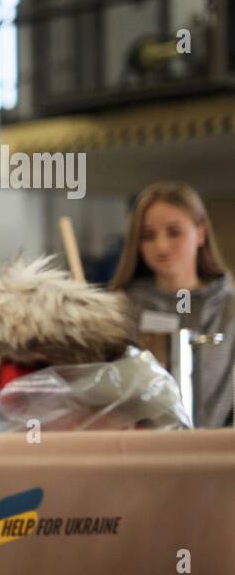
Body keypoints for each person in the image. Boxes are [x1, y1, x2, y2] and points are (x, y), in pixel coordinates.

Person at [109, 181, 234, 427]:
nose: (161, 246)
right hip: (141, 455)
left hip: (221, 455)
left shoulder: (229, 307)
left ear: (201, 233)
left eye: (174, 231)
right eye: (148, 236)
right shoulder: (119, 309)